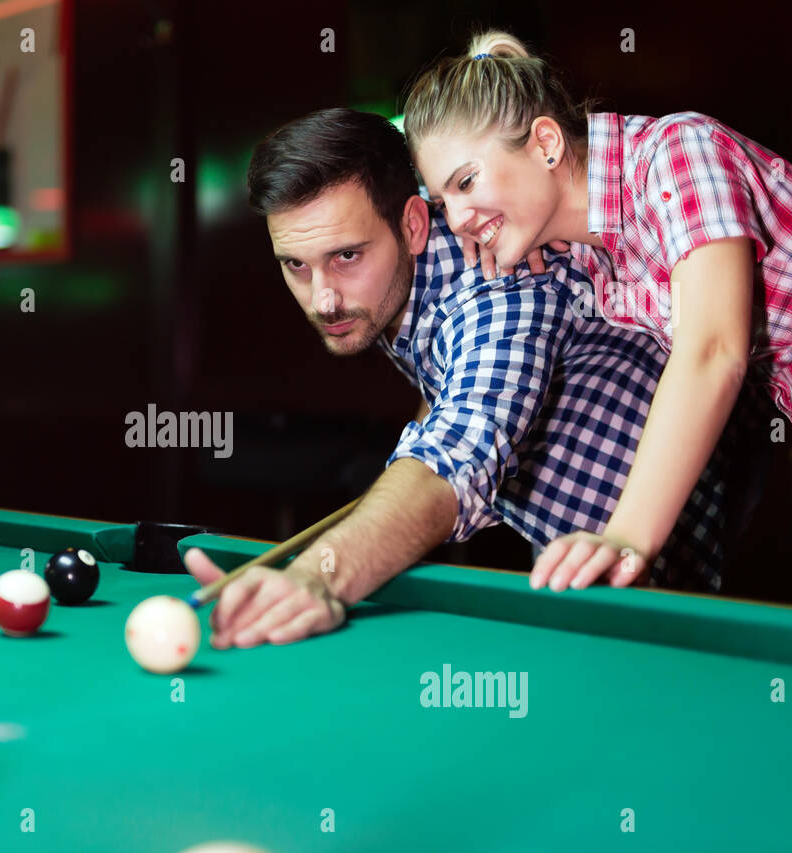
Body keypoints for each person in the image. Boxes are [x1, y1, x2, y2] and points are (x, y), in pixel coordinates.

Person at [183, 108, 738, 649]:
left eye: (346, 256)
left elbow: (461, 448)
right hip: (580, 558)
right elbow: (452, 403)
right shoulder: (399, 274)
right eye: (296, 265)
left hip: (669, 570)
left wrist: (317, 576)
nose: (323, 299)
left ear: (413, 224)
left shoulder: (502, 290)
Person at [402, 31, 792, 604]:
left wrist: (626, 538)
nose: (454, 219)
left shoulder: (678, 153)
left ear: (547, 144)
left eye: (467, 181)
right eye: (441, 202)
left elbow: (711, 350)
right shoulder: (589, 255)